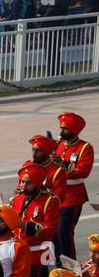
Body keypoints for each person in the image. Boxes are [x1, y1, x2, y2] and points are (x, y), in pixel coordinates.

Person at [54, 112, 92, 263]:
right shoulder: (59, 145)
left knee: (65, 233)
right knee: (55, 234)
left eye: (64, 129)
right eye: (61, 128)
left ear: (74, 130)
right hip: (57, 195)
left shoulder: (84, 148)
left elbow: (83, 171)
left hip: (72, 197)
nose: (61, 132)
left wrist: (62, 164)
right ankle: (59, 263)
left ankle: (70, 267)